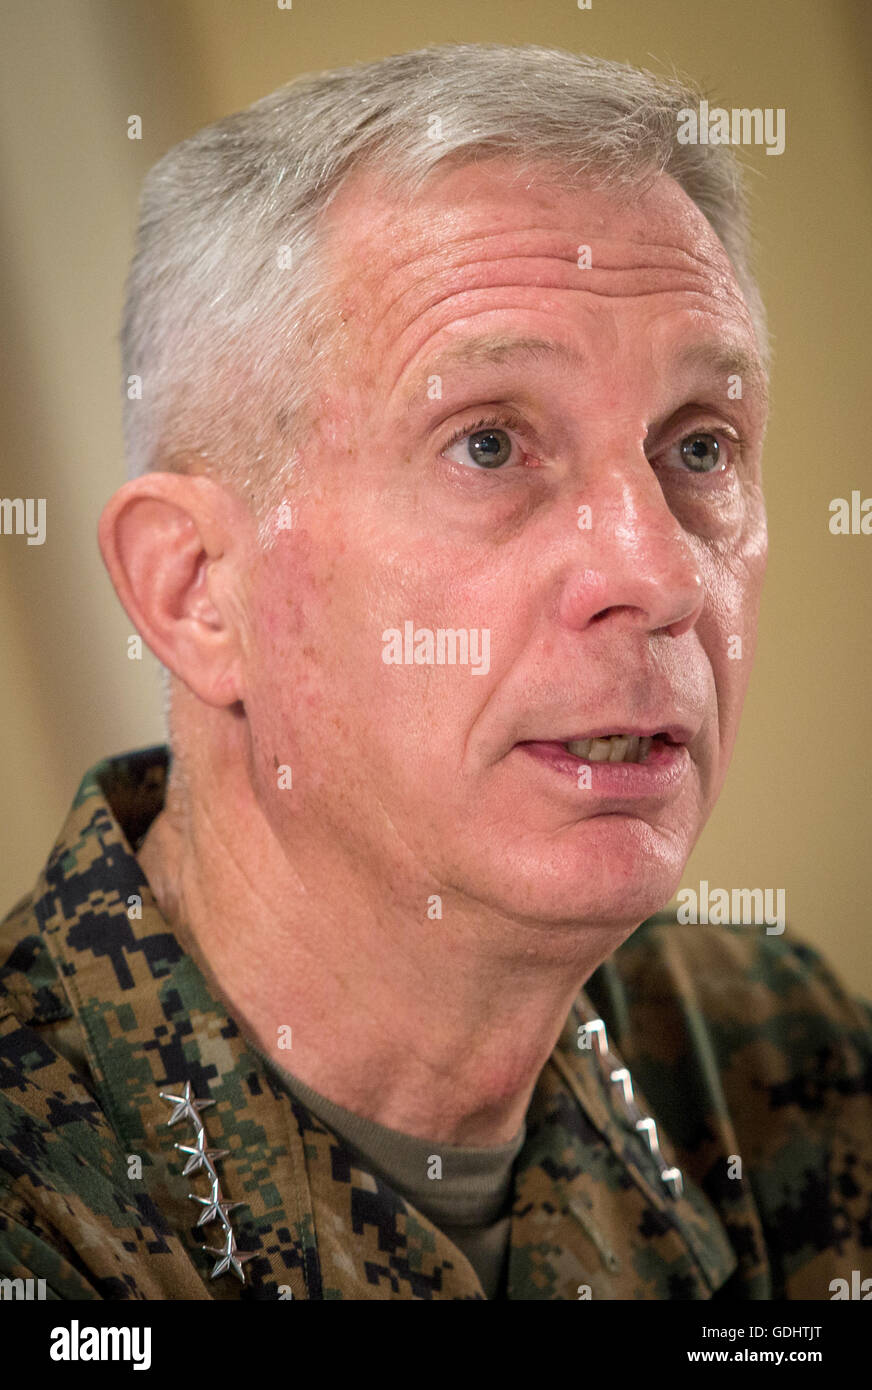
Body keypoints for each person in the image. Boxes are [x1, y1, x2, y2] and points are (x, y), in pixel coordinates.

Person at [1, 43, 869, 1302]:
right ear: (196, 590)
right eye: (488, 442)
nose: (659, 575)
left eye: (697, 446)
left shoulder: (773, 1054)